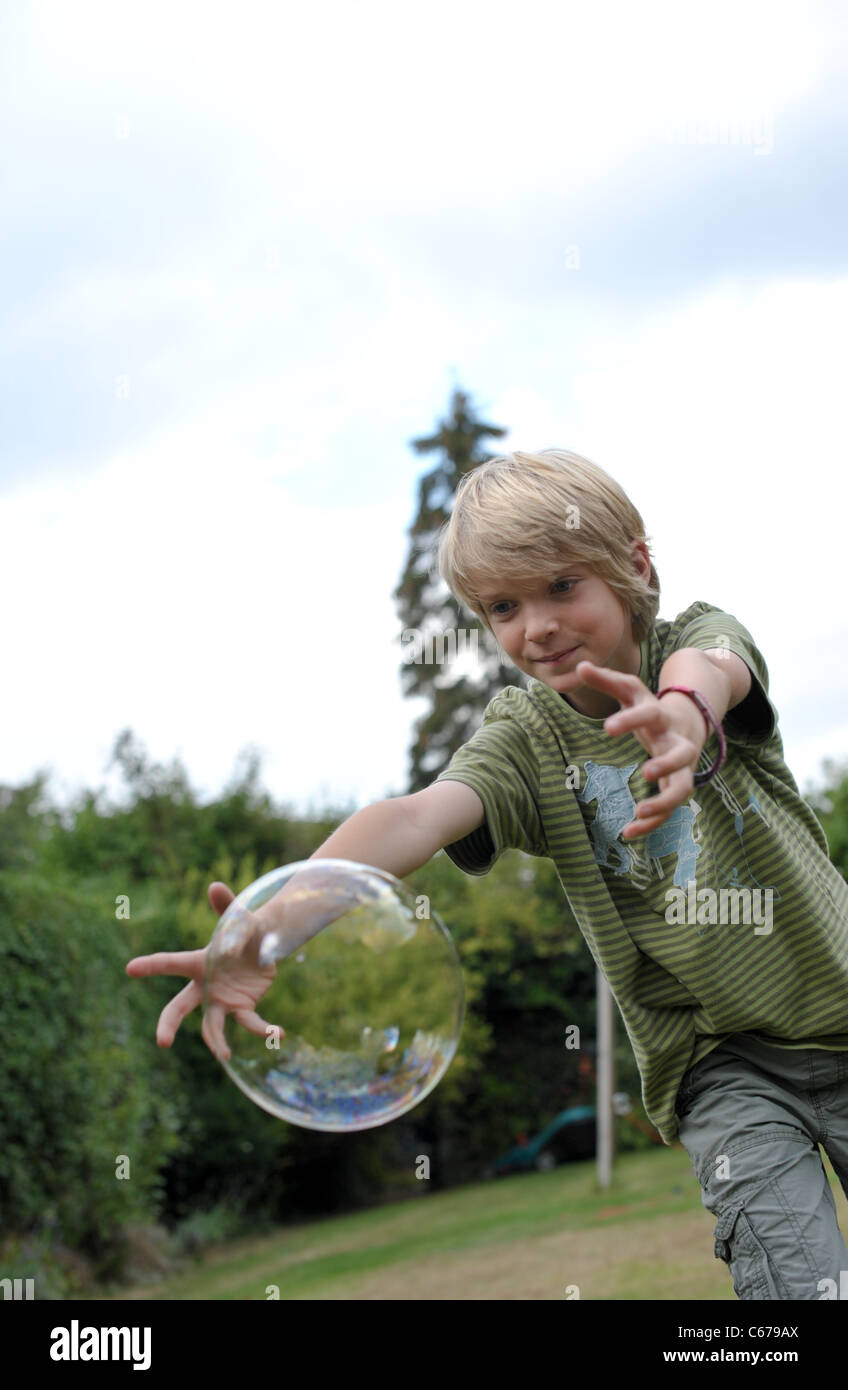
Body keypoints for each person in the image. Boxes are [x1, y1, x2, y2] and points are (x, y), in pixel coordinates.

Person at [127, 448, 848, 1301]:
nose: (535, 625)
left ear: (635, 566)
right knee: (801, 1289)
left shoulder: (691, 643)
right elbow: (416, 817)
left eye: (562, 586)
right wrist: (272, 925)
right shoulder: (524, 739)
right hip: (720, 1071)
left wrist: (685, 717)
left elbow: (715, 673)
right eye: (504, 606)